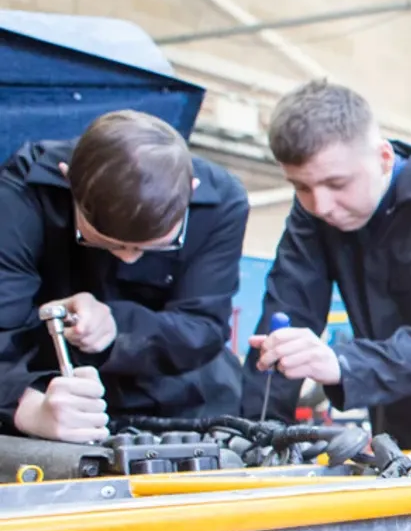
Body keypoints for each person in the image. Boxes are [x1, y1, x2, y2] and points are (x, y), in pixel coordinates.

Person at [240, 80, 411, 450]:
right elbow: (287, 312)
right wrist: (257, 435)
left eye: (337, 183)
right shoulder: (314, 214)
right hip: (395, 427)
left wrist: (343, 364)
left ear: (383, 157)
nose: (321, 205)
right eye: (301, 187)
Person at [0, 109, 250, 443]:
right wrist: (26, 408)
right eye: (103, 241)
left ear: (190, 192)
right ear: (67, 180)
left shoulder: (222, 203)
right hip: (53, 395)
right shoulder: (22, 193)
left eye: (153, 246)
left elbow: (202, 327)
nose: (127, 257)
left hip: (184, 400)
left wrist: (117, 325)